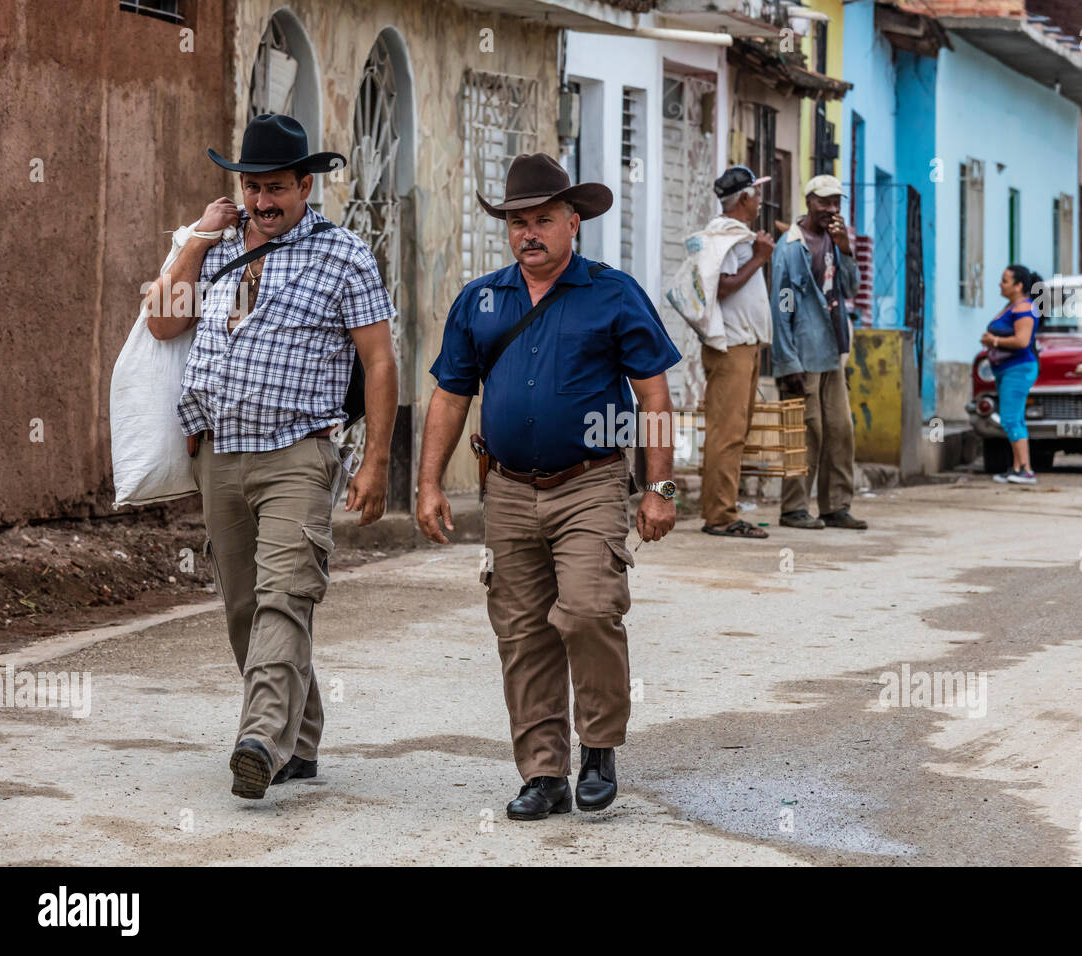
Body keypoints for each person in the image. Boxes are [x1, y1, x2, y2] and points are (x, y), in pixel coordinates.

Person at [416, 153, 680, 820]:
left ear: (573, 223)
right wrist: (428, 483)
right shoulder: (480, 300)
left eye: (542, 220)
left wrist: (660, 487)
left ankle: (598, 745)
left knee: (590, 609)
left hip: (590, 482)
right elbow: (450, 395)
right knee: (521, 630)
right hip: (504, 488)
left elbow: (653, 393)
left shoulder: (612, 293)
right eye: (517, 222)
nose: (529, 232)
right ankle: (543, 774)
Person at [143, 113, 399, 799]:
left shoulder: (344, 255)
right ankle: (300, 741)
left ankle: (258, 738)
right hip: (218, 457)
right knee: (244, 609)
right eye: (252, 188)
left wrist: (376, 463)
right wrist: (198, 236)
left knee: (286, 596)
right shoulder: (218, 244)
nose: (263, 202)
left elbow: (379, 362)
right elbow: (164, 318)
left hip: (298, 455)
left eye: (277, 188)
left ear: (306, 185)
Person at [770, 174, 866, 531]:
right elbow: (781, 308)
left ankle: (836, 506)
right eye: (825, 202)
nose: (831, 209)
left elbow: (852, 288)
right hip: (802, 355)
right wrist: (786, 362)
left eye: (836, 203)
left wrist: (845, 250)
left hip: (834, 353)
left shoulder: (836, 241)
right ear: (809, 201)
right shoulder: (790, 247)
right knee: (805, 433)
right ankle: (794, 508)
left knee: (840, 431)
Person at [699, 165, 774, 539]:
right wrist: (759, 257)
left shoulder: (736, 235)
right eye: (757, 194)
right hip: (730, 345)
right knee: (726, 432)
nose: (760, 201)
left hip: (744, 342)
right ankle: (720, 516)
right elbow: (723, 286)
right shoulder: (725, 236)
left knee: (735, 430)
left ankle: (723, 509)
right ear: (744, 198)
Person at [982, 264, 1043, 485]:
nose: (1000, 284)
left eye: (1005, 280)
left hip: (1018, 369)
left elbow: (1022, 341)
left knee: (1009, 418)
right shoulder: (1012, 306)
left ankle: (1025, 469)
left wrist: (994, 341)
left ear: (1019, 286)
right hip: (1006, 369)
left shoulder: (1024, 308)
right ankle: (1017, 467)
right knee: (1015, 418)